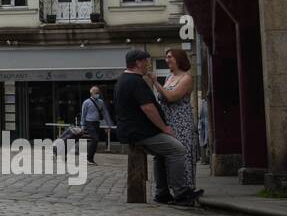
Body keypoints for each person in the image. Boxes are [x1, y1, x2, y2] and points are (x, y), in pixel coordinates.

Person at [114, 47, 194, 206]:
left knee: (161, 154)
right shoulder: (136, 81)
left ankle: (162, 192)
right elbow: (148, 108)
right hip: (142, 132)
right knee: (177, 149)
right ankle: (181, 192)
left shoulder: (123, 79)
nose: (148, 65)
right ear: (137, 63)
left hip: (134, 131)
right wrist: (164, 128)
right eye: (145, 62)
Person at [148, 48, 200, 198]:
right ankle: (168, 188)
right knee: (168, 154)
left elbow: (171, 97)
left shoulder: (186, 78)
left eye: (170, 57)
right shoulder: (169, 77)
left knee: (182, 152)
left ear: (178, 59)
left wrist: (155, 83)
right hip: (169, 120)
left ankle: (185, 188)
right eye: (166, 57)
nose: (167, 60)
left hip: (181, 121)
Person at [79, 85, 113, 164]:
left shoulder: (101, 102)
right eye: (96, 92)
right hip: (89, 122)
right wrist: (82, 126)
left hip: (96, 122)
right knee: (95, 139)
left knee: (96, 140)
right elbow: (83, 114)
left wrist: (109, 124)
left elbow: (105, 113)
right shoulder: (86, 102)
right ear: (91, 93)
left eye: (98, 92)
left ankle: (90, 158)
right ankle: (89, 158)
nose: (97, 93)